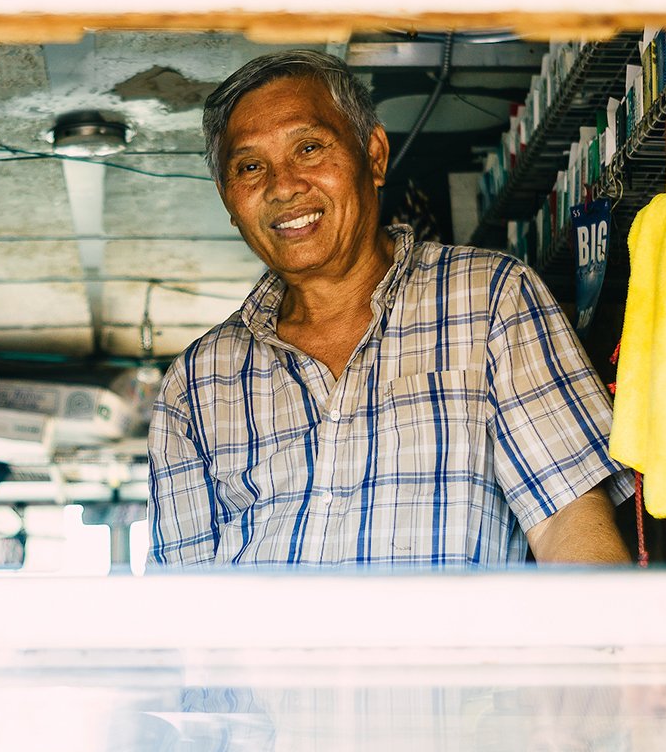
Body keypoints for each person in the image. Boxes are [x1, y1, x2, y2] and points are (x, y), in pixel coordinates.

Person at [147, 50, 632, 568]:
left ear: (374, 155)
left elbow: (569, 528)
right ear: (228, 198)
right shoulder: (196, 382)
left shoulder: (491, 297)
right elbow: (185, 598)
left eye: (309, 148)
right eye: (249, 166)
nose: (283, 185)